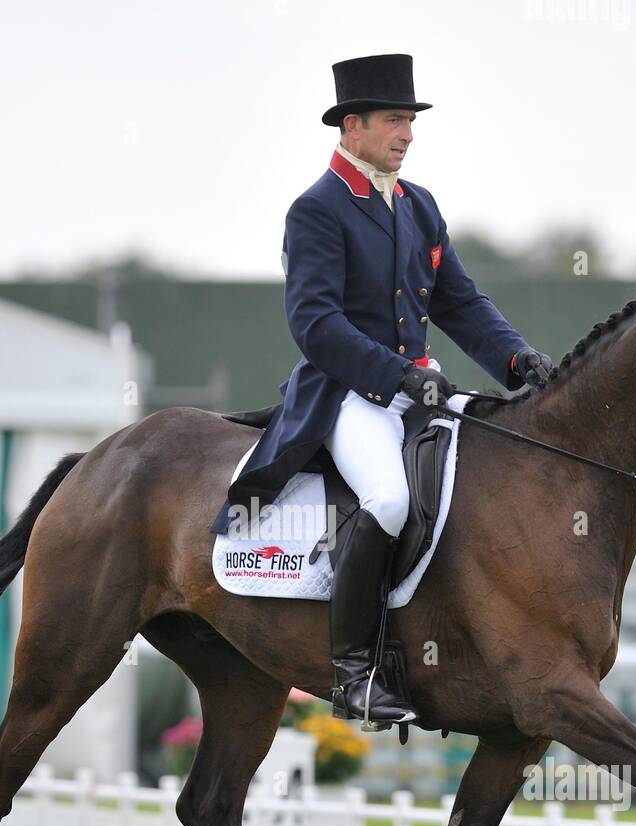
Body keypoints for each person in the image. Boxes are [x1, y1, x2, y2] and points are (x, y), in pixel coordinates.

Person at [210, 53, 553, 728]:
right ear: (353, 126)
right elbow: (315, 325)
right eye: (396, 121)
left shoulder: (418, 206)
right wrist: (399, 377)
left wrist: (518, 361)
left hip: (416, 392)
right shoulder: (317, 210)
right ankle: (355, 674)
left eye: (410, 121)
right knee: (390, 499)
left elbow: (460, 303)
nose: (408, 134)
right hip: (346, 396)